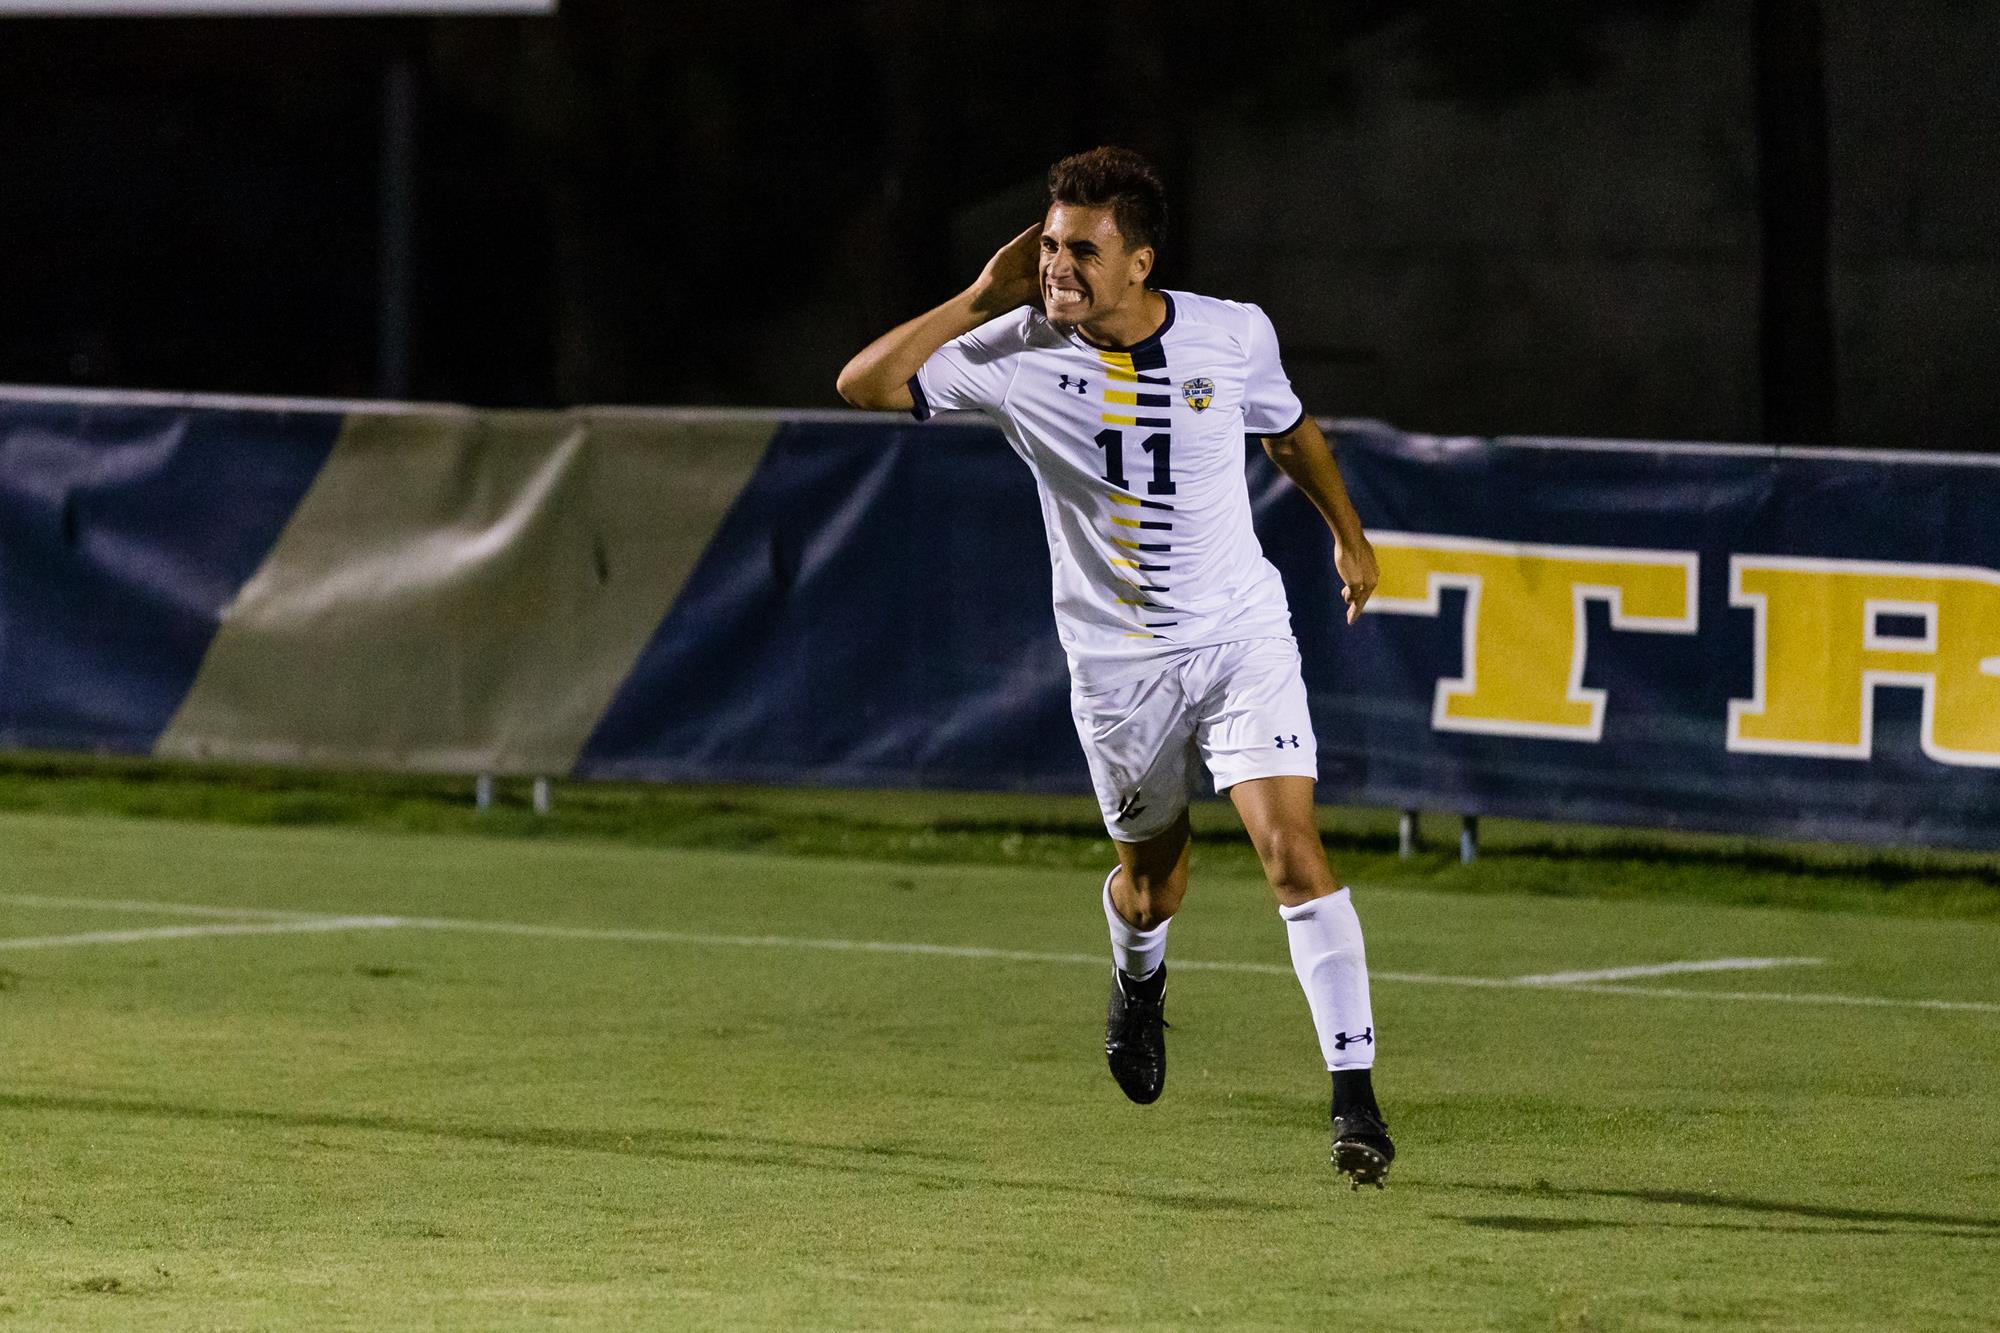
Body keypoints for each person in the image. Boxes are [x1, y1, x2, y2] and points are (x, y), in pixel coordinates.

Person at [836, 146, 1393, 1187]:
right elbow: (866, 383)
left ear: (1139, 262)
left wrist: (1346, 536)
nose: (1057, 267)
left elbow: (1288, 433)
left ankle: (1353, 1103)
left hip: (1238, 637)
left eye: (1081, 251)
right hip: (1116, 670)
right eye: (1047, 246)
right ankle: (1138, 982)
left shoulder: (1231, 332)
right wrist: (976, 294)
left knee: (1290, 852)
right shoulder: (1011, 350)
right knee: (1151, 882)